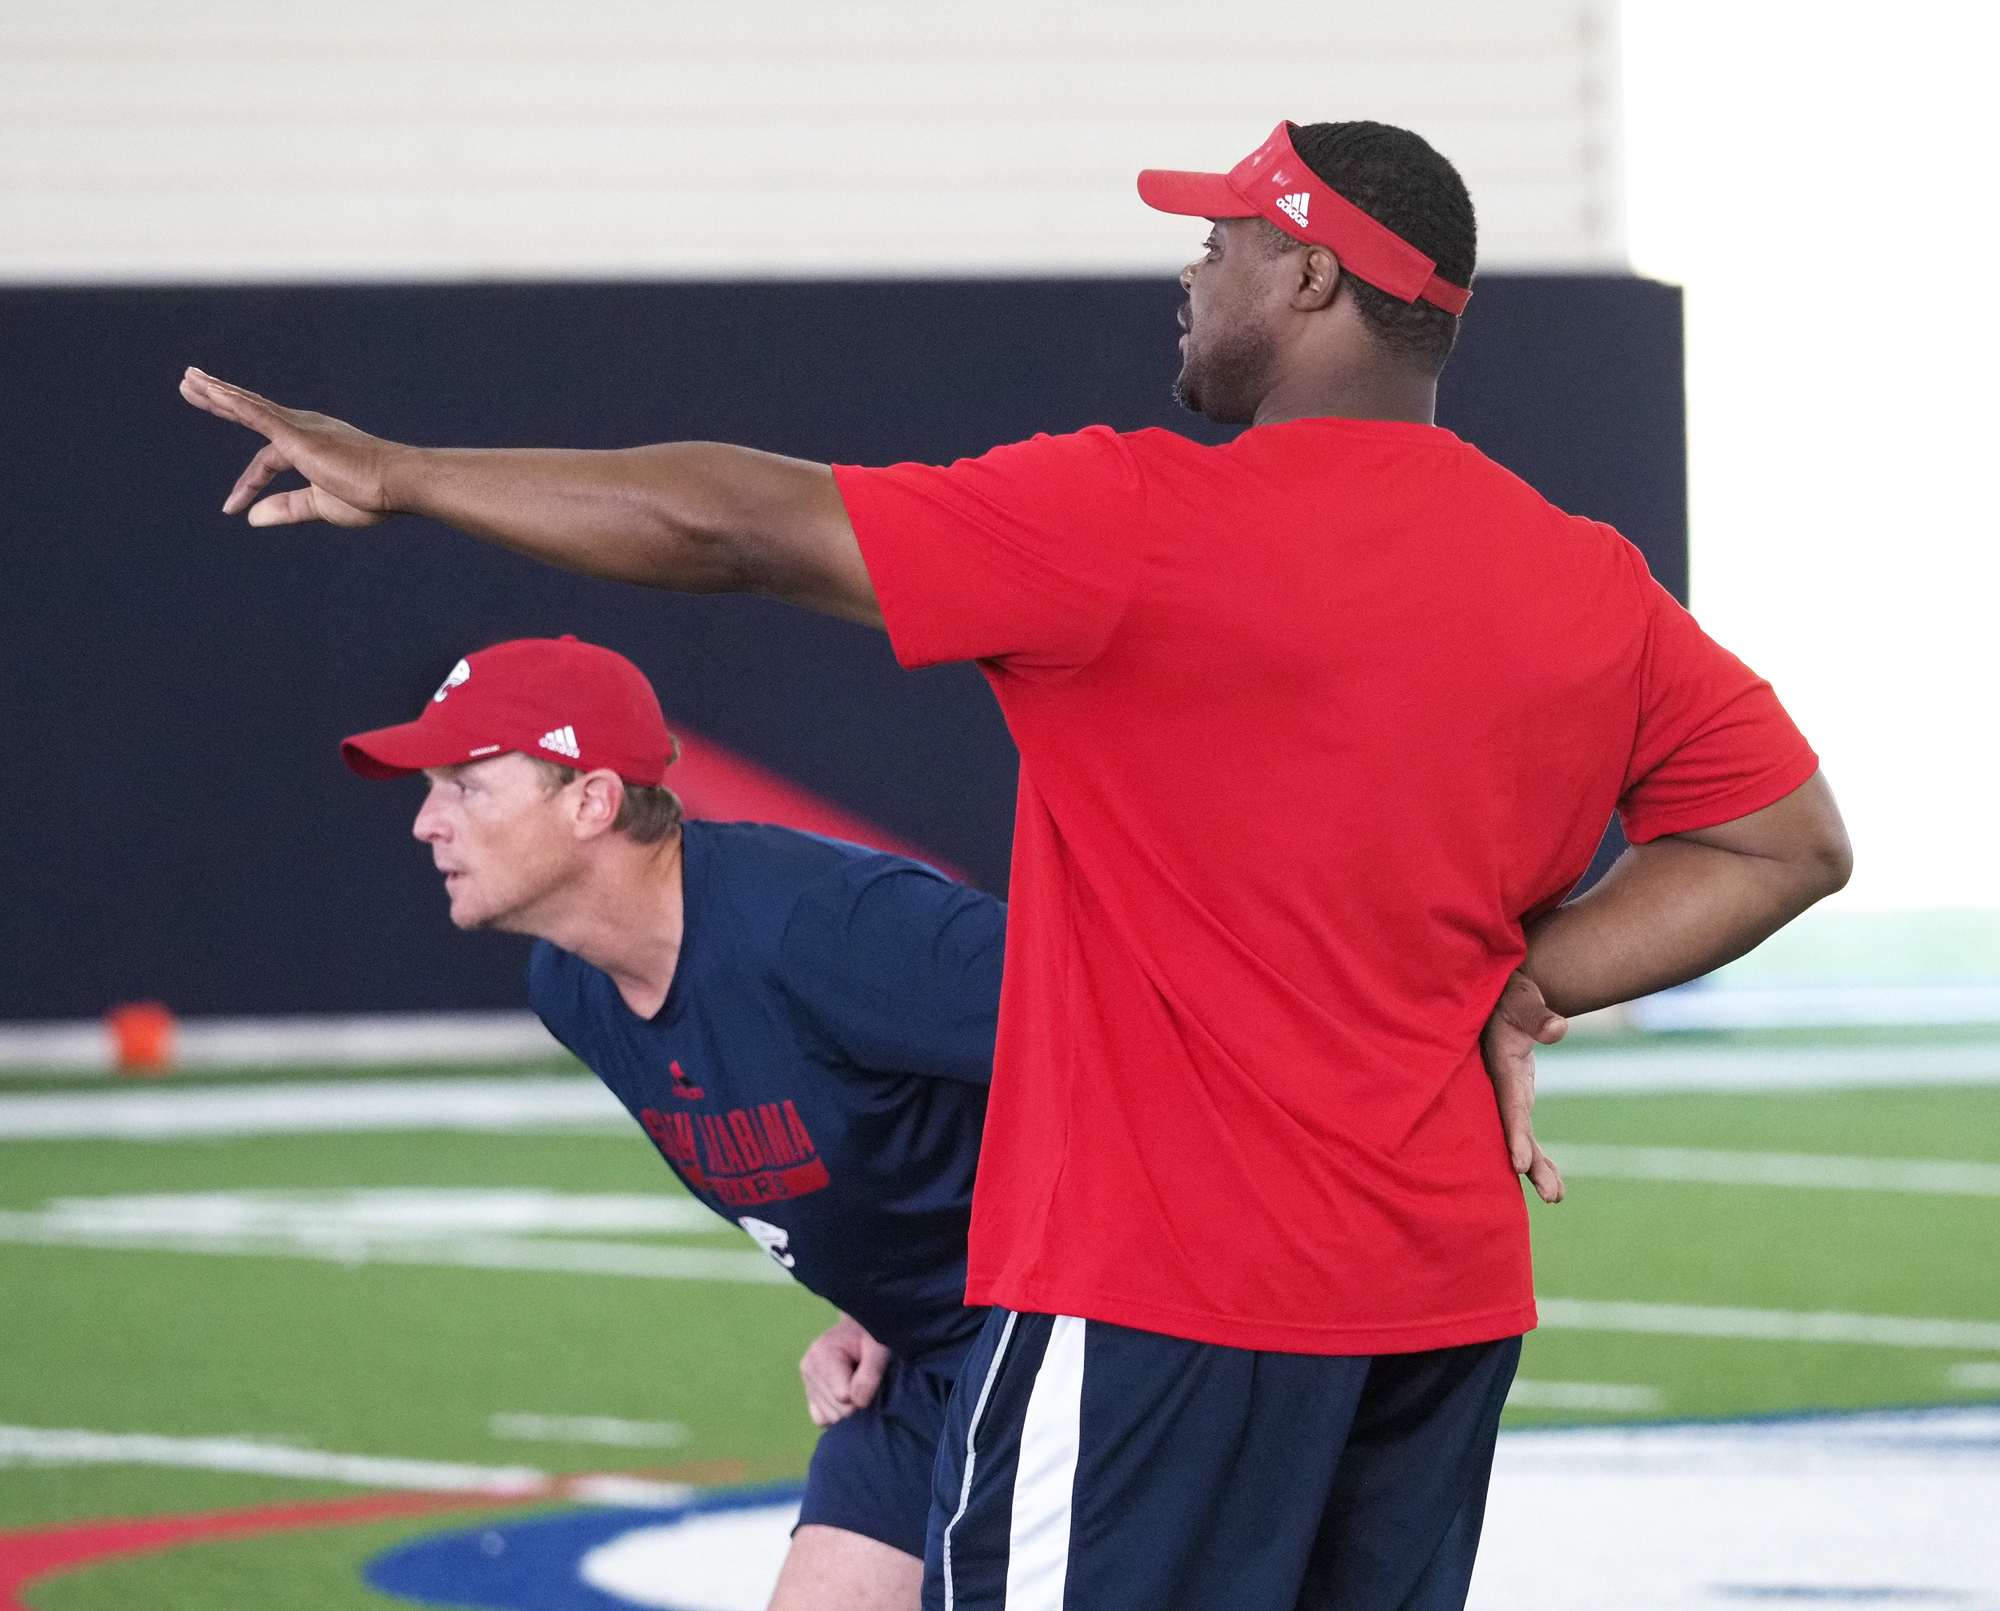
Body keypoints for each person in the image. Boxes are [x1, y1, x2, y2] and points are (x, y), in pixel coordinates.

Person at [182, 117, 1851, 1611]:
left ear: (1321, 282)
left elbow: (731, 525)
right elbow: (1788, 844)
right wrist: (1527, 975)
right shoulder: (1587, 580)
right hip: (1437, 1308)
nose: (1191, 272)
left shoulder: (1137, 518)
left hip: (1158, 1300)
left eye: (1226, 244)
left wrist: (407, 475)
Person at [335, 631, 1005, 1611]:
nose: (426, 824)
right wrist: (879, 1292)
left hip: (1083, 1334)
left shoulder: (836, 925)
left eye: (466, 786)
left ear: (592, 802)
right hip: (923, 1348)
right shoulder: (572, 986)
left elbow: (1130, 1044)